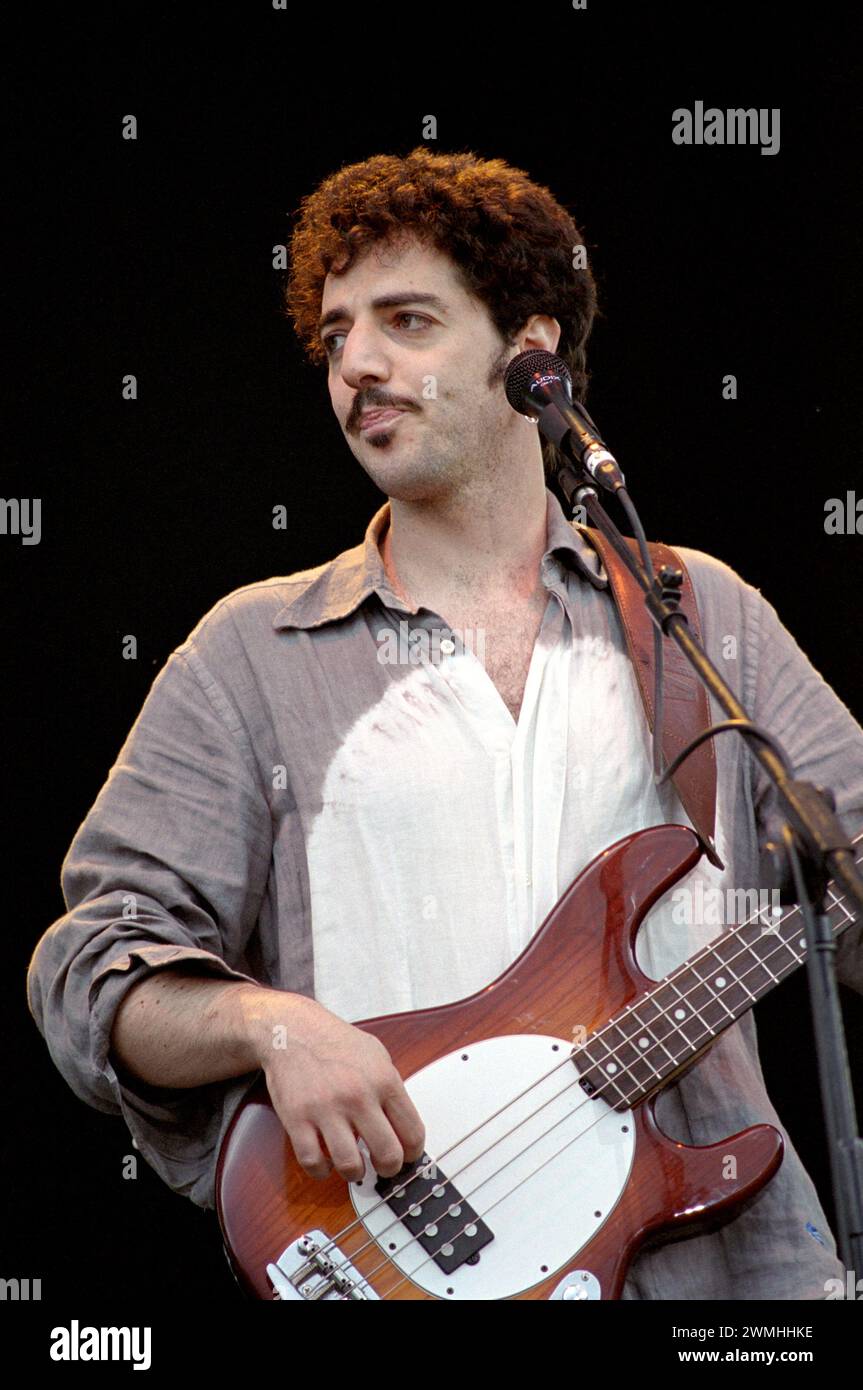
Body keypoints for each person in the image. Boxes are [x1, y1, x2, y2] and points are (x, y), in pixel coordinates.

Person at [26, 147, 863, 1300]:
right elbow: (90, 970)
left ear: (531, 356)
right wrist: (271, 1026)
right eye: (335, 335)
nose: (356, 364)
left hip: (718, 1289)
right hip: (395, 1260)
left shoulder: (701, 615)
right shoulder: (250, 655)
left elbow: (846, 884)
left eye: (406, 321)